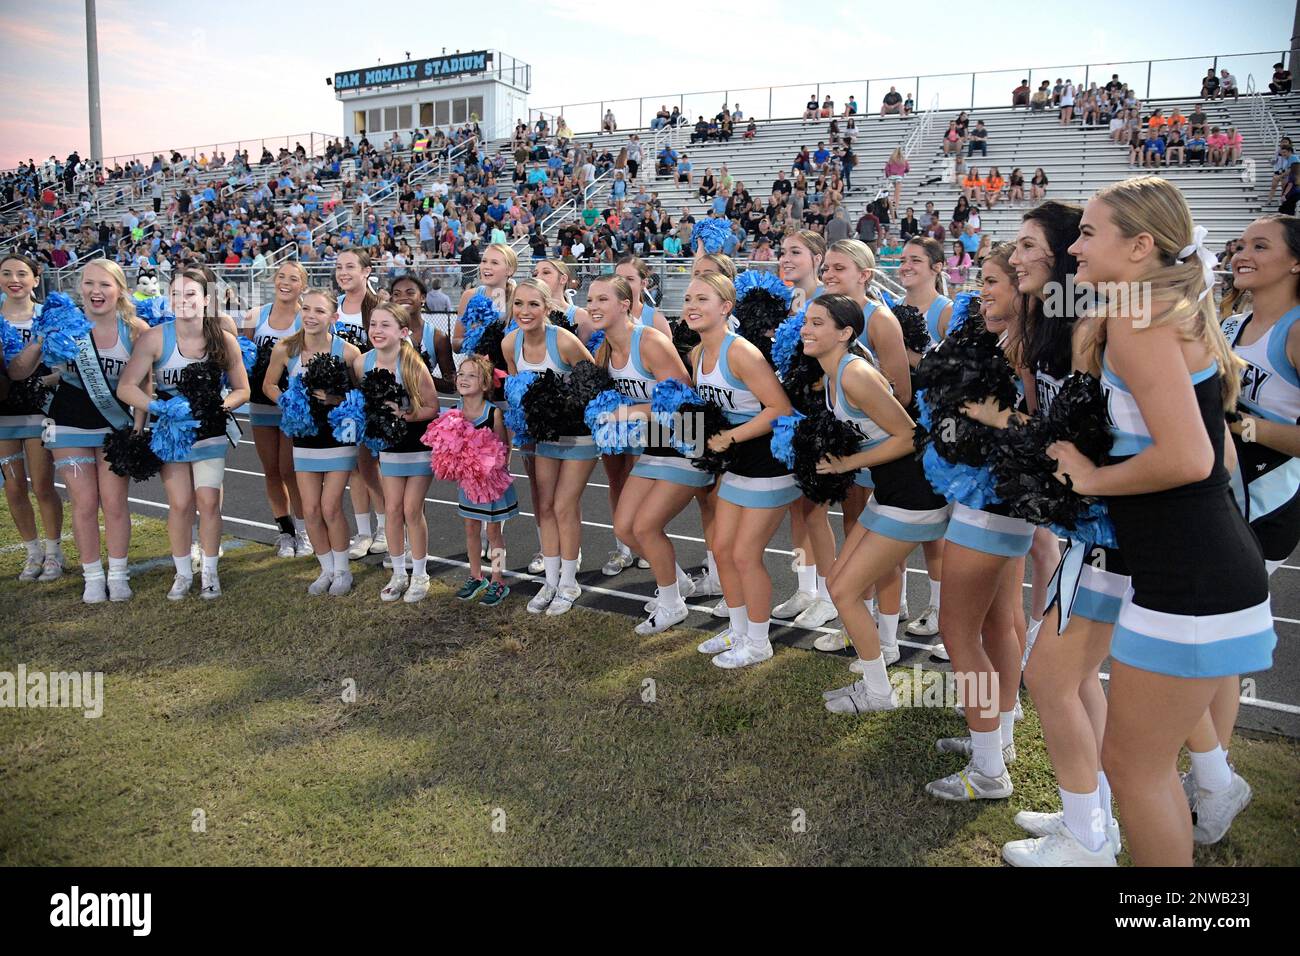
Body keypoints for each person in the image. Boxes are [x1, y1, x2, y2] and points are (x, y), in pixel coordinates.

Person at [1052, 176, 1273, 866]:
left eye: (1089, 232)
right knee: (1140, 765)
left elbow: (1188, 457)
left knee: (1136, 769)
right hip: (1201, 570)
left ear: (1141, 244)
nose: (1075, 245)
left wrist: (1091, 478)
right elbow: (1221, 454)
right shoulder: (1153, 310)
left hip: (1192, 579)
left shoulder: (1137, 318)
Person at [815, 294, 952, 711]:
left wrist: (850, 463)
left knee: (844, 590)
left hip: (913, 495)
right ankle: (877, 686)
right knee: (841, 585)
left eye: (818, 323)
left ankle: (878, 692)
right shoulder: (832, 373)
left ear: (844, 333)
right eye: (806, 321)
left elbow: (910, 435)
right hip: (889, 491)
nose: (806, 328)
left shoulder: (854, 374)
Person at [7, 261, 142, 602]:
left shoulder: (136, 329)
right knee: (83, 503)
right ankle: (93, 577)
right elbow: (19, 372)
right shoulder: (64, 325)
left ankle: (119, 574)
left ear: (120, 290)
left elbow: (145, 385)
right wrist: (40, 339)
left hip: (115, 427)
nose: (97, 291)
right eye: (89, 284)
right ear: (79, 288)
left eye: (105, 285)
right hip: (69, 425)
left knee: (114, 503)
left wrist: (140, 428)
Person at [117, 268, 250, 600]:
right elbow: (126, 387)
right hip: (172, 433)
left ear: (205, 300)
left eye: (190, 294)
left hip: (209, 433)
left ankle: (210, 573)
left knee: (208, 502)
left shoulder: (223, 338)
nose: (182, 301)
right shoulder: (155, 338)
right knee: (179, 504)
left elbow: (242, 389)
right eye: (175, 294)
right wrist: (159, 408)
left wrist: (219, 407)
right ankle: (182, 573)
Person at [690, 274, 797, 668]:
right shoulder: (696, 355)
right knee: (721, 549)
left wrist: (730, 438)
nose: (692, 305)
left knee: (745, 554)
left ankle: (759, 640)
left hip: (767, 465)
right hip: (735, 466)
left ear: (725, 307)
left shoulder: (742, 354)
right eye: (688, 298)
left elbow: (780, 409)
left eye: (703, 298)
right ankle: (737, 629)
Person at [587, 275, 699, 633]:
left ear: (624, 304)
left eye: (602, 299)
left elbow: (685, 401)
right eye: (590, 299)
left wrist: (629, 413)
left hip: (686, 438)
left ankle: (672, 606)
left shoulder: (649, 342)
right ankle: (677, 581)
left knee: (646, 526)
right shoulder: (604, 347)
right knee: (625, 527)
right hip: (654, 441)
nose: (593, 306)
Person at [504, 278, 597, 616]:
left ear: (547, 307)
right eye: (518, 304)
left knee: (563, 505)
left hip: (578, 435)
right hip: (542, 438)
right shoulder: (510, 344)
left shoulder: (566, 341)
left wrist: (562, 403)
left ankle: (570, 583)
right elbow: (516, 393)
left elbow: (593, 383)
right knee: (544, 506)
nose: (525, 311)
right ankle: (552, 580)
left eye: (533, 304)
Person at [261, 289, 362, 597]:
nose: (310, 315)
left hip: (337, 439)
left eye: (319, 311)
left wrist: (336, 400)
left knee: (331, 507)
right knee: (311, 509)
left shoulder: (348, 352)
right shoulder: (285, 349)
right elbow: (268, 384)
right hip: (304, 438)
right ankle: (326, 569)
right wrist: (289, 401)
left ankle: (343, 570)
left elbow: (360, 394)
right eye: (306, 309)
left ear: (333, 317)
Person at [356, 303, 438, 603]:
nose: (377, 330)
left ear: (403, 332)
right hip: (388, 449)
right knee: (392, 509)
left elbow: (432, 407)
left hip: (416, 446)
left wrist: (402, 415)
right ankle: (398, 572)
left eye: (385, 325)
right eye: (373, 324)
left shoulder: (412, 364)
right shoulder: (362, 363)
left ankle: (420, 573)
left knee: (412, 509)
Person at [0, 254, 63, 584]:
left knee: (42, 484)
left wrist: (47, 380)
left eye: (22, 273)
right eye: (7, 273)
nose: (15, 279)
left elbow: (66, 363)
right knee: (13, 487)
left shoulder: (48, 316)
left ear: (36, 279)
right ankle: (32, 551)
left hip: (42, 412)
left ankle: (54, 552)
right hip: (4, 416)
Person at [241, 261, 307, 558]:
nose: (285, 282)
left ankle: (306, 532)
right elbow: (244, 357)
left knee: (289, 470)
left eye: (293, 279)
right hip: (261, 402)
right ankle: (285, 532)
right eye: (281, 276)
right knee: (271, 471)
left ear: (302, 286)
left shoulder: (305, 319)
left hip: (292, 406)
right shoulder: (257, 316)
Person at [333, 249, 386, 561]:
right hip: (342, 403)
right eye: (339, 267)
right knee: (353, 467)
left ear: (366, 271)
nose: (343, 272)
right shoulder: (332, 308)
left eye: (350, 267)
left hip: (372, 398)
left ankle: (383, 528)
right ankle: (363, 531)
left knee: (373, 466)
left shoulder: (378, 306)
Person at [451, 354, 515, 607]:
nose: (464, 379)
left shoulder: (493, 413)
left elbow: (504, 447)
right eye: (461, 374)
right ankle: (476, 576)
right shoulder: (455, 411)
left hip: (491, 484)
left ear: (486, 384)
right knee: (470, 528)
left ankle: (498, 579)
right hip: (468, 484)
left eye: (472, 375)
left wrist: (489, 464)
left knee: (493, 532)